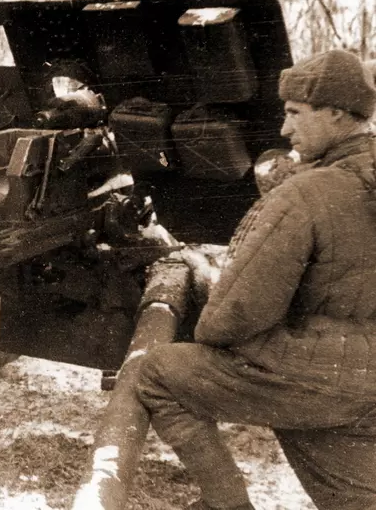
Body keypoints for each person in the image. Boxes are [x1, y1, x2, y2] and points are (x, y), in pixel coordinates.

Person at [136, 49, 376, 510]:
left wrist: (207, 292)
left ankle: (226, 504)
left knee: (161, 372)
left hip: (318, 378)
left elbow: (233, 318)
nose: (285, 129)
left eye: (294, 113)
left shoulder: (306, 193)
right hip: (365, 377)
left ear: (335, 113)